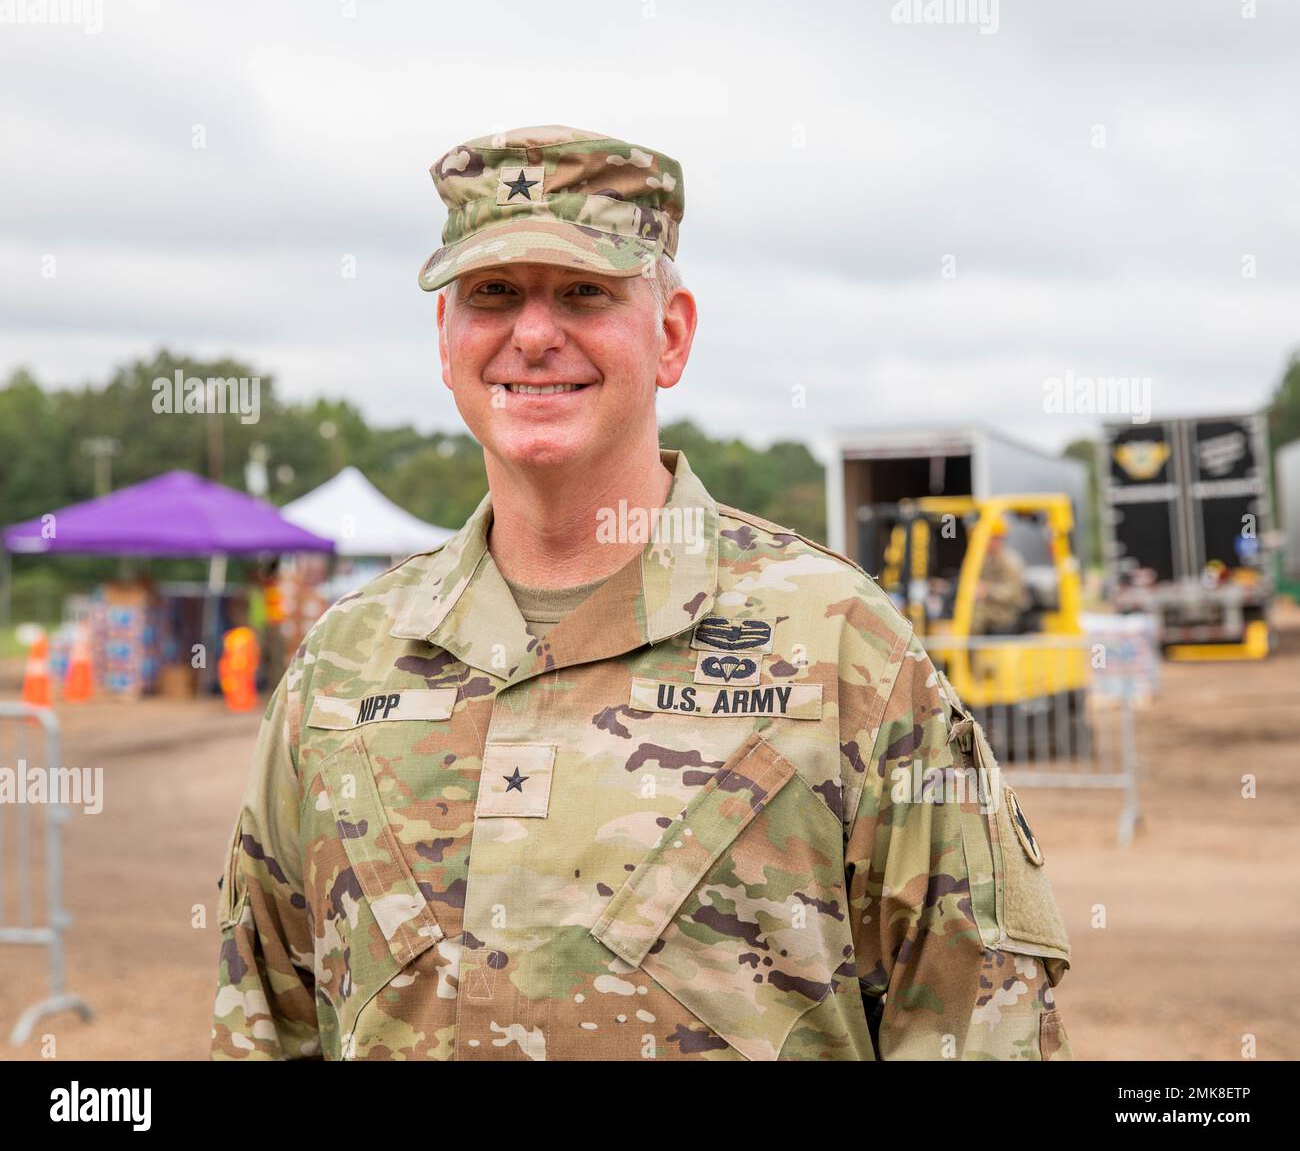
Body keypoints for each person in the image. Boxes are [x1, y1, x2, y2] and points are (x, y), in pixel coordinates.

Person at [211, 125, 1072, 1061]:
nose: (534, 335)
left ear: (669, 336)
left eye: (585, 292)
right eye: (493, 294)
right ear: (446, 338)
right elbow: (265, 1020)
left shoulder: (841, 647)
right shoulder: (342, 667)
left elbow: (978, 1024)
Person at [971, 517, 1031, 636]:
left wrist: (987, 591)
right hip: (993, 607)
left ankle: (969, 652)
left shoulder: (1011, 562)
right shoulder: (987, 560)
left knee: (975, 616)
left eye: (989, 538)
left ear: (998, 539)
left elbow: (1014, 594)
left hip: (1007, 612)